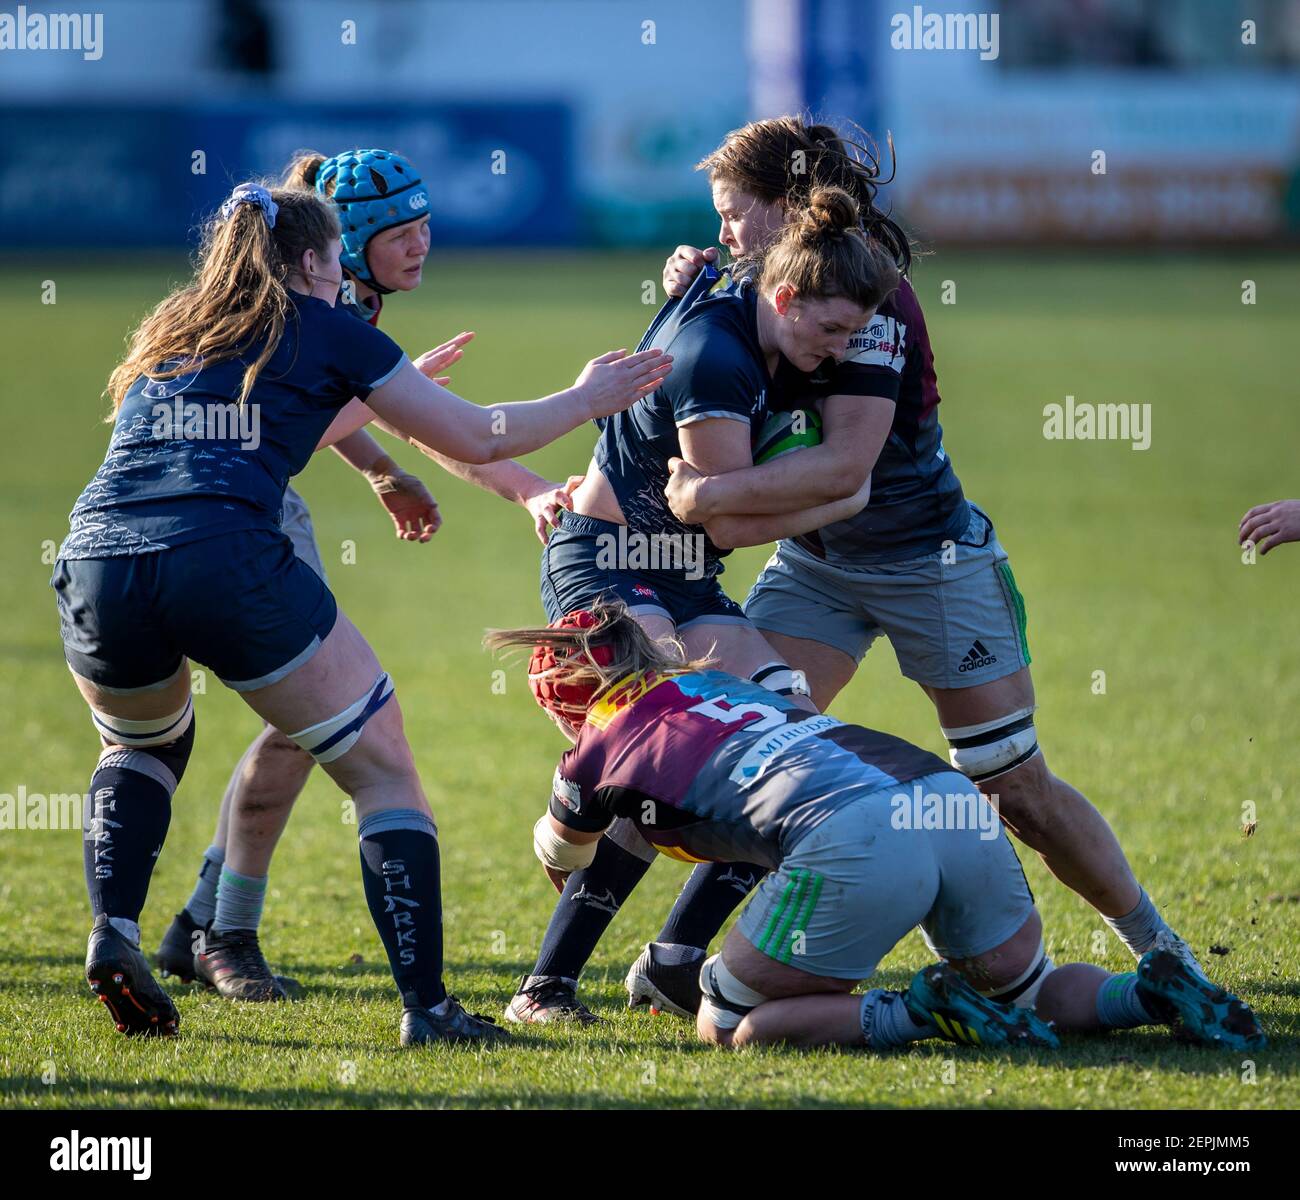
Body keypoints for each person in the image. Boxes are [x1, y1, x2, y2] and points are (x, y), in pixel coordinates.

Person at [54, 180, 670, 1043]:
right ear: (312, 261)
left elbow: (279, 411)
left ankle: (113, 934)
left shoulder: (177, 328)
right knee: (381, 766)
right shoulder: (327, 324)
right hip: (221, 552)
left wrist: (386, 421)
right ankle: (429, 1009)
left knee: (142, 747)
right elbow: (481, 435)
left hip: (95, 557)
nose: (342, 271)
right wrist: (584, 398)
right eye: (336, 257)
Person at [629, 116, 1204, 1018]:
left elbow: (844, 469)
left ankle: (1162, 948)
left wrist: (706, 502)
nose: (724, 232)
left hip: (930, 560)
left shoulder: (871, 302)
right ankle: (675, 956)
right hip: (817, 561)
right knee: (757, 746)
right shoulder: (756, 282)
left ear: (786, 207)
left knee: (1013, 784)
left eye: (734, 213)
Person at [156, 148, 578, 1000]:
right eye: (404, 232)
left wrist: (397, 471)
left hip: (224, 514)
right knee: (315, 724)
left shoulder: (342, 298)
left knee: (309, 725)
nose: (424, 245)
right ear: (350, 244)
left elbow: (379, 413)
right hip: (230, 516)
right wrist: (405, 431)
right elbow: (300, 423)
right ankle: (222, 932)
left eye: (428, 226)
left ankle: (192, 927)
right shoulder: (319, 306)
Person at [488, 602, 1265, 1053]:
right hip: (943, 793)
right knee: (1022, 989)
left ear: (561, 702)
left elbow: (564, 853)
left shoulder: (592, 748)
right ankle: (1148, 994)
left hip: (853, 836)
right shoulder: (715, 680)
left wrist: (567, 825)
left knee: (728, 1021)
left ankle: (920, 1012)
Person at [504, 187, 894, 1024]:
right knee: (665, 738)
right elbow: (712, 508)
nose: (838, 354)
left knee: (780, 745)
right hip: (608, 559)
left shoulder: (763, 318)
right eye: (828, 332)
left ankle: (672, 959)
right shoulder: (718, 360)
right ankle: (547, 968)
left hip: (686, 577)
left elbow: (711, 518)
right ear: (783, 301)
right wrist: (838, 499)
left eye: (852, 336)